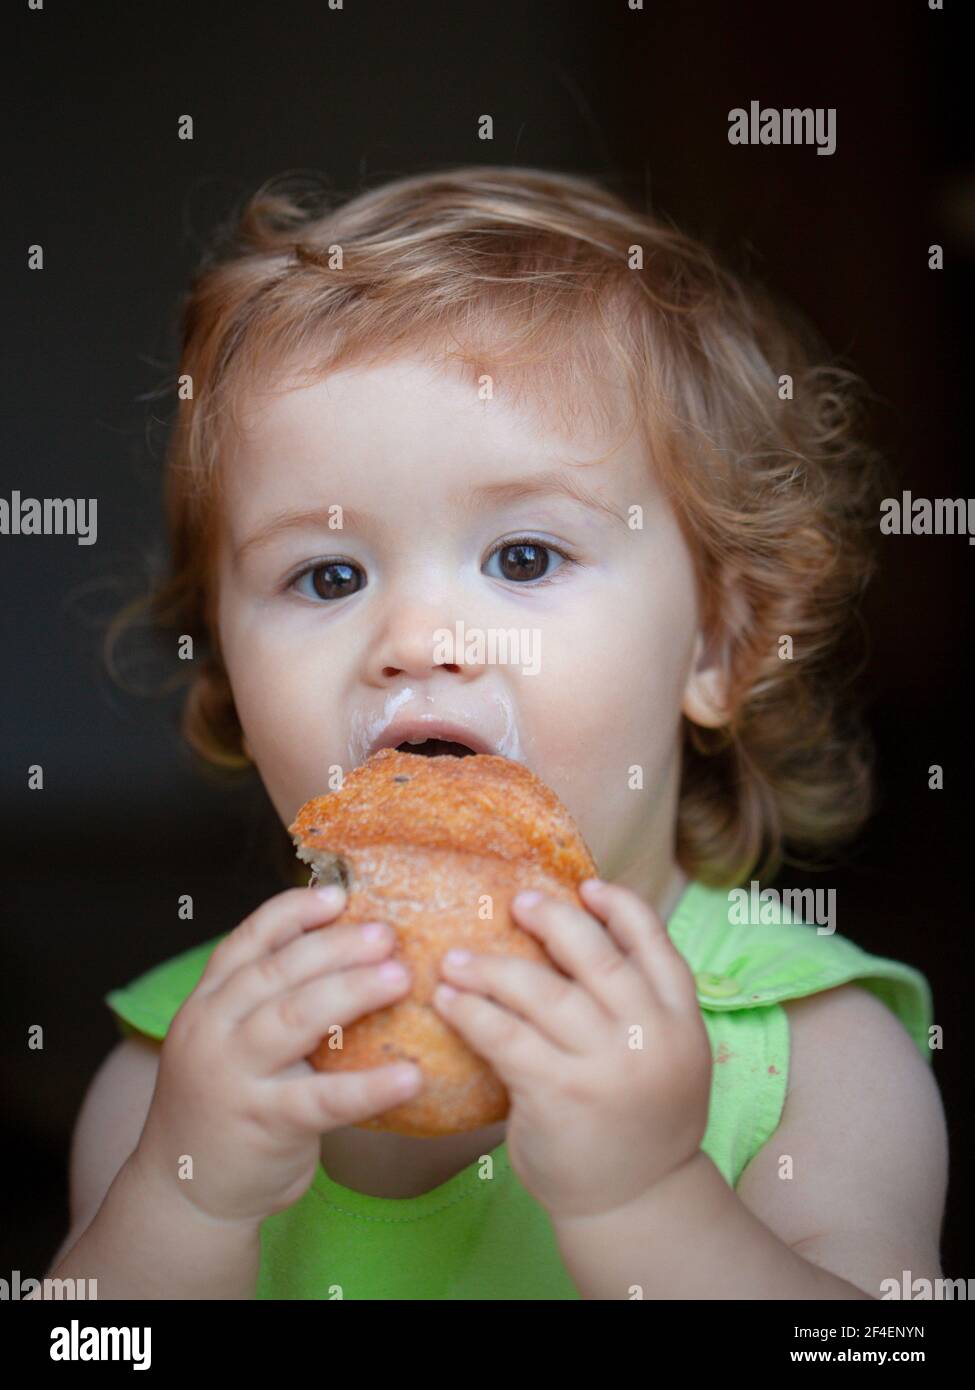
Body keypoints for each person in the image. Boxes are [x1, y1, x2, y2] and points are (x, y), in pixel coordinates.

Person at [37, 166, 947, 1300]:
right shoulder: (175, 1070)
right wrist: (183, 1202)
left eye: (524, 557)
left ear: (721, 641)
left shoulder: (814, 1050)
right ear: (226, 678)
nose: (417, 637)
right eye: (327, 574)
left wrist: (650, 1202)